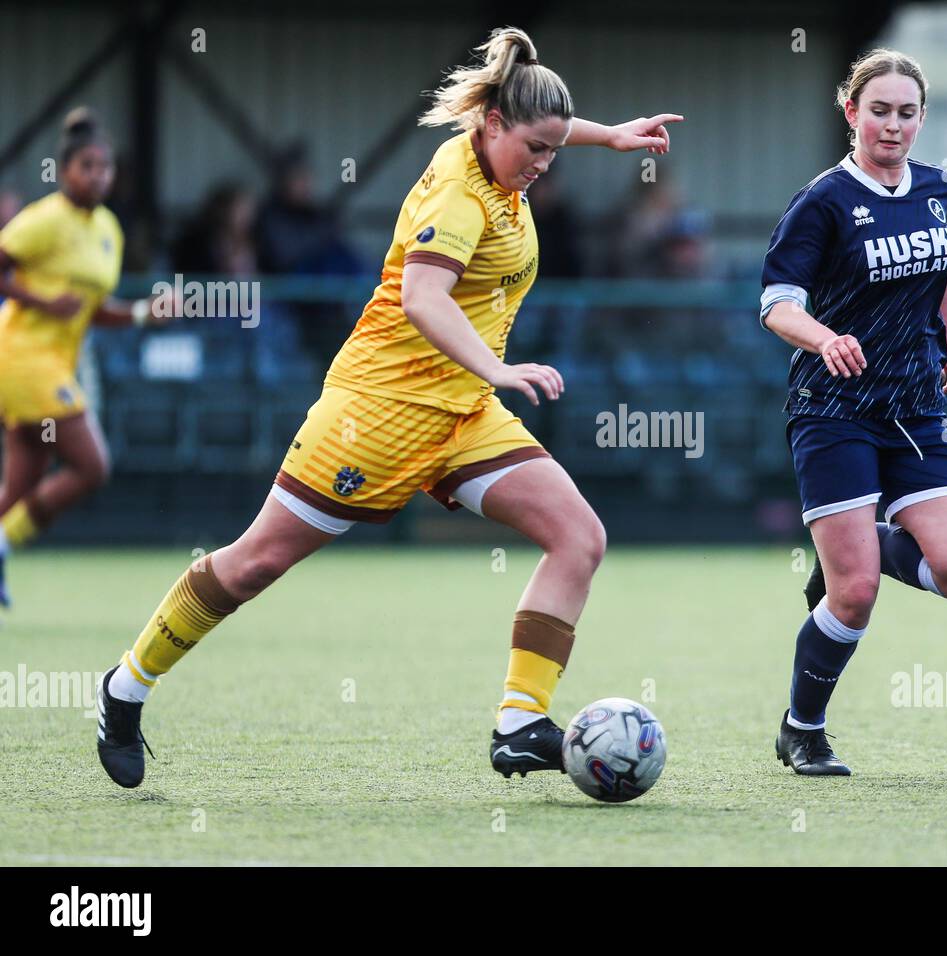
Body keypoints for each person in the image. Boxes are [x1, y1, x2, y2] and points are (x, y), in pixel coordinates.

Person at [94, 27, 682, 789]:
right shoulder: (458, 195)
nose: (544, 164)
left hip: (463, 412)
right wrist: (498, 367)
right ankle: (124, 688)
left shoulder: (508, 154)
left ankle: (518, 723)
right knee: (253, 564)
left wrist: (609, 137)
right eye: (534, 148)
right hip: (376, 409)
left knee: (578, 536)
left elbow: (550, 123)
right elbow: (422, 297)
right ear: (492, 125)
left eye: (553, 151)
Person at [761, 49, 947, 776]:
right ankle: (803, 729)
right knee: (854, 594)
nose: (893, 124)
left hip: (917, 409)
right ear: (851, 111)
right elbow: (776, 305)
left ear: (922, 118)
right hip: (832, 409)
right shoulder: (823, 201)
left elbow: (945, 262)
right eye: (879, 110)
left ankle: (859, 546)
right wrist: (825, 338)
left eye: (907, 112)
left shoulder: (935, 187)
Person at [0, 108, 171, 609]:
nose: (98, 176)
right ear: (65, 169)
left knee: (23, 481)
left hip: (54, 362)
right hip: (21, 356)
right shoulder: (44, 219)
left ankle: (4, 539)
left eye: (106, 167)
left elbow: (93, 311)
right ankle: (5, 542)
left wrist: (143, 313)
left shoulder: (108, 230)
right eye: (87, 166)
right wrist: (41, 302)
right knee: (92, 465)